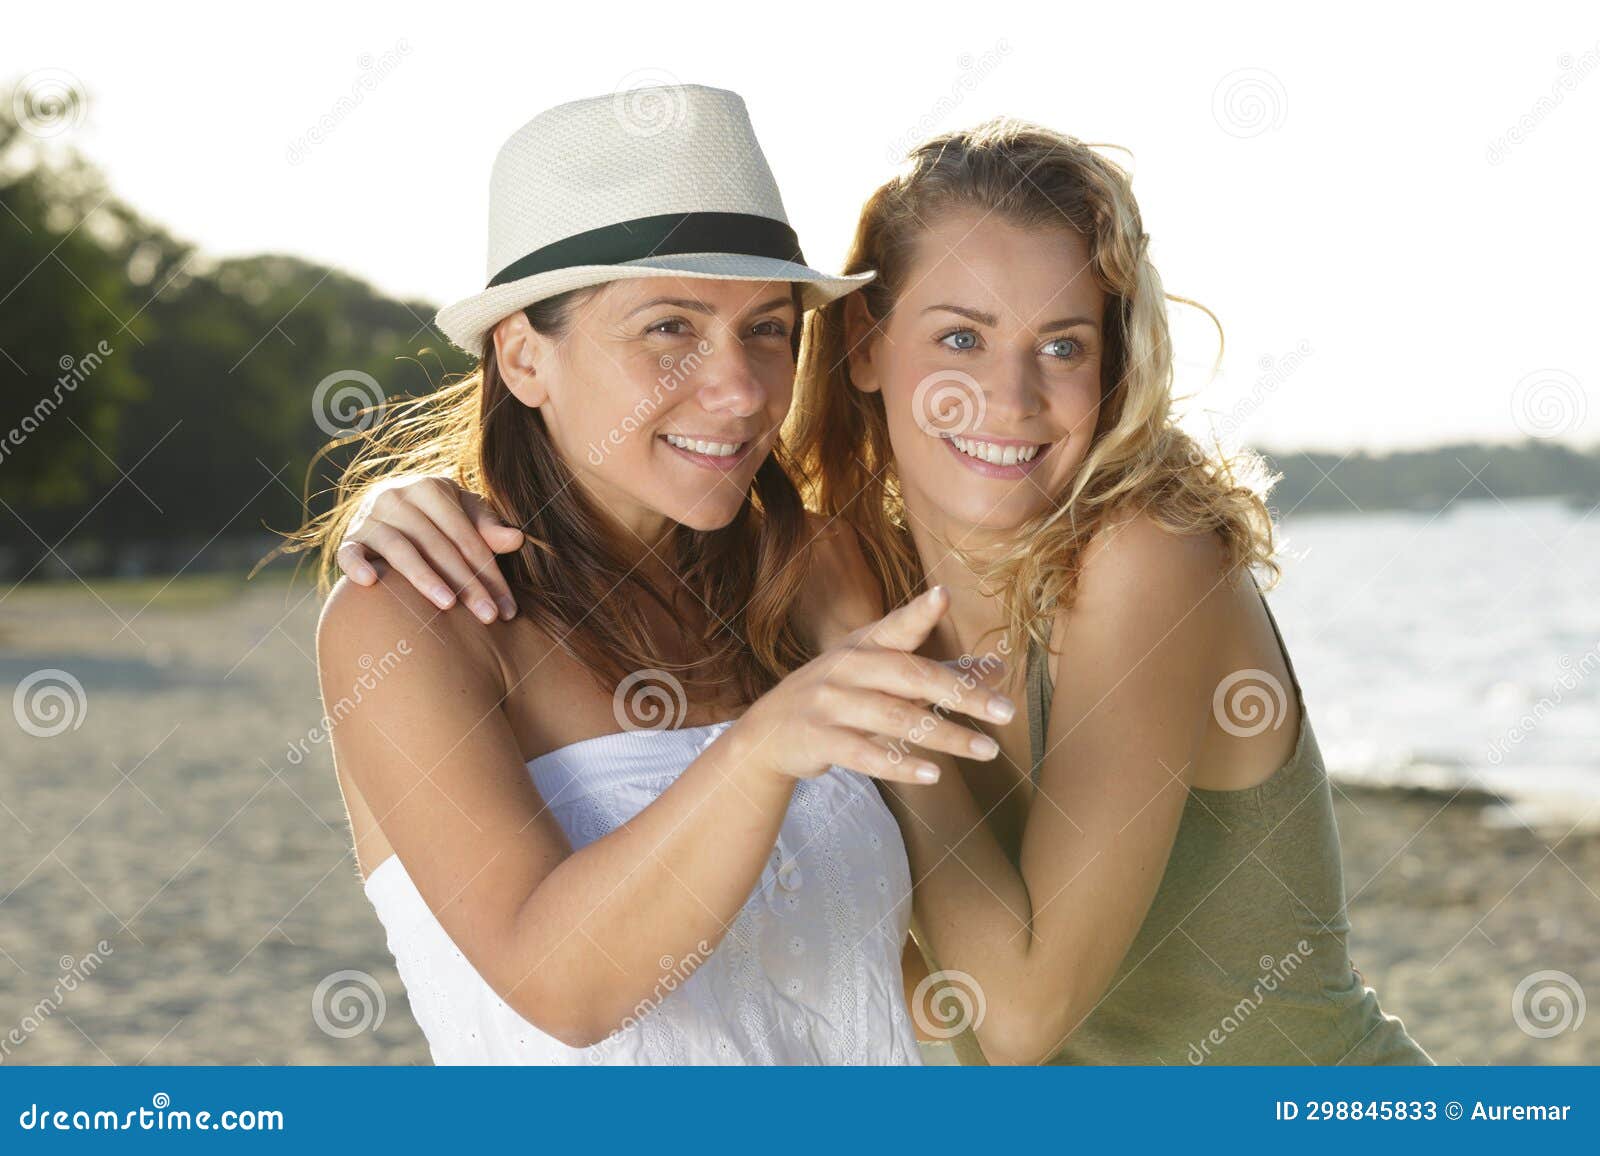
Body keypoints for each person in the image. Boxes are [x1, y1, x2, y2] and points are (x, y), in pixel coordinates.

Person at [330, 117, 1430, 1066]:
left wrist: (854, 661)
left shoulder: (1131, 555)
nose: (1006, 397)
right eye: (958, 335)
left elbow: (1007, 1010)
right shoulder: (823, 568)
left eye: (1062, 345)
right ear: (864, 346)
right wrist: (400, 498)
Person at [298, 86, 1010, 1065]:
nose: (741, 387)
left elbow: (919, 975)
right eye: (669, 328)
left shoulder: (805, 570)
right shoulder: (411, 619)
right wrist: (764, 746)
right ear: (522, 358)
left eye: (768, 327)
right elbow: (567, 987)